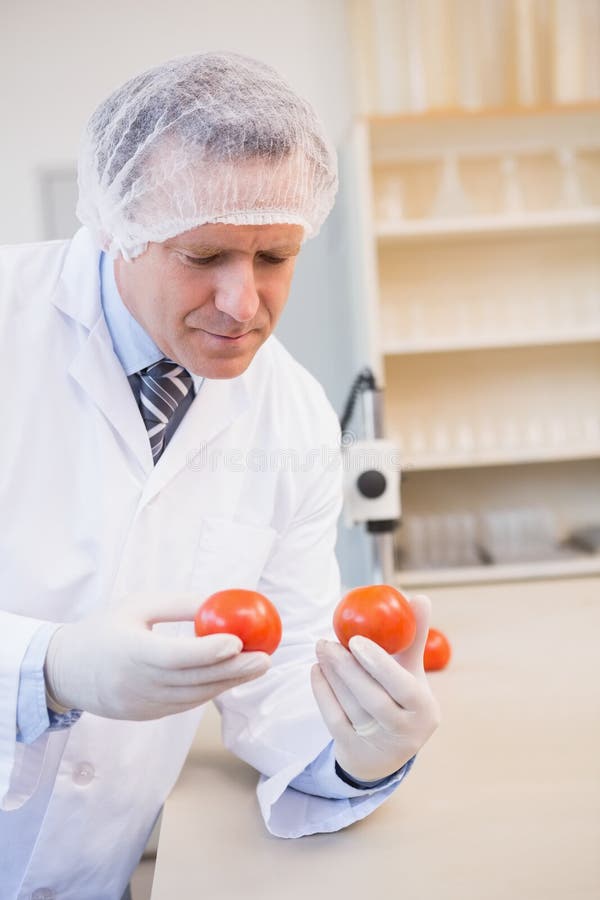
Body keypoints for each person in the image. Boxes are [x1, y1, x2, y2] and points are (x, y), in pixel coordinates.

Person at [0, 52, 439, 899]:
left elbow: (276, 681)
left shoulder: (294, 418)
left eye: (274, 257)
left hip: (92, 876)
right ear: (118, 226)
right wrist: (47, 669)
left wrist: (358, 750)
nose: (244, 303)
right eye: (204, 256)